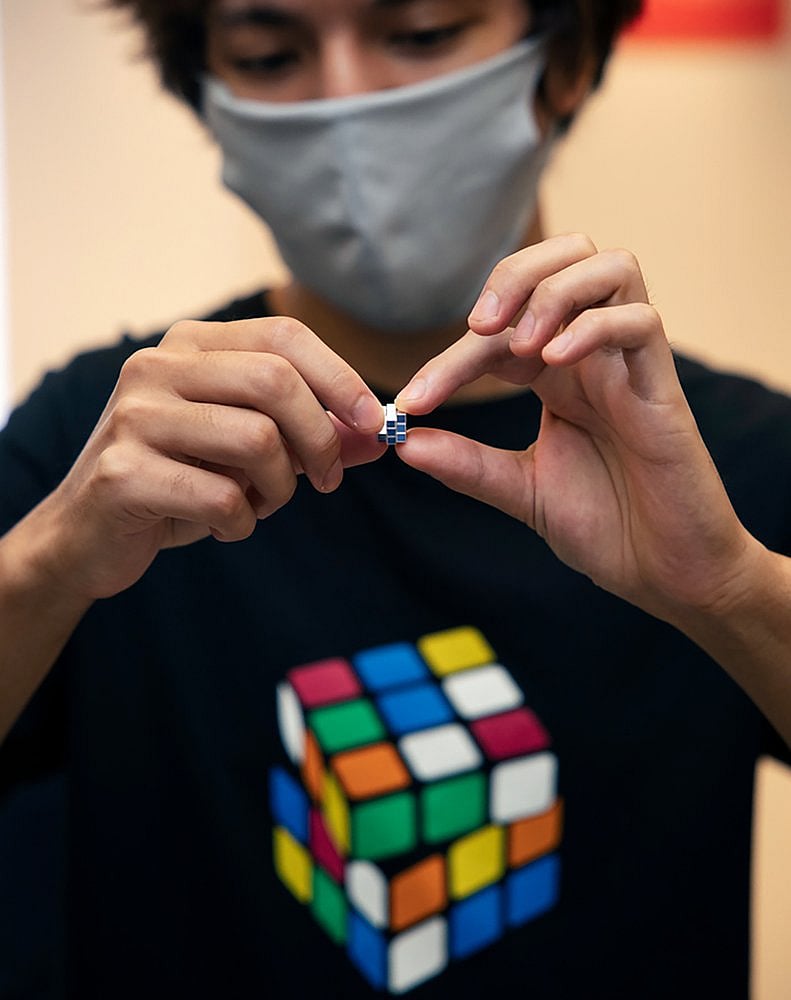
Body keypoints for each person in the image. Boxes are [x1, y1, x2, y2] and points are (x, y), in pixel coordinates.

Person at [1, 0, 789, 996]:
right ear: (210, 97)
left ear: (568, 56)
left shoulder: (734, 464)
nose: (347, 102)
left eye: (418, 32)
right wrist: (48, 559)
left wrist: (731, 589)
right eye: (269, 53)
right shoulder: (101, 445)